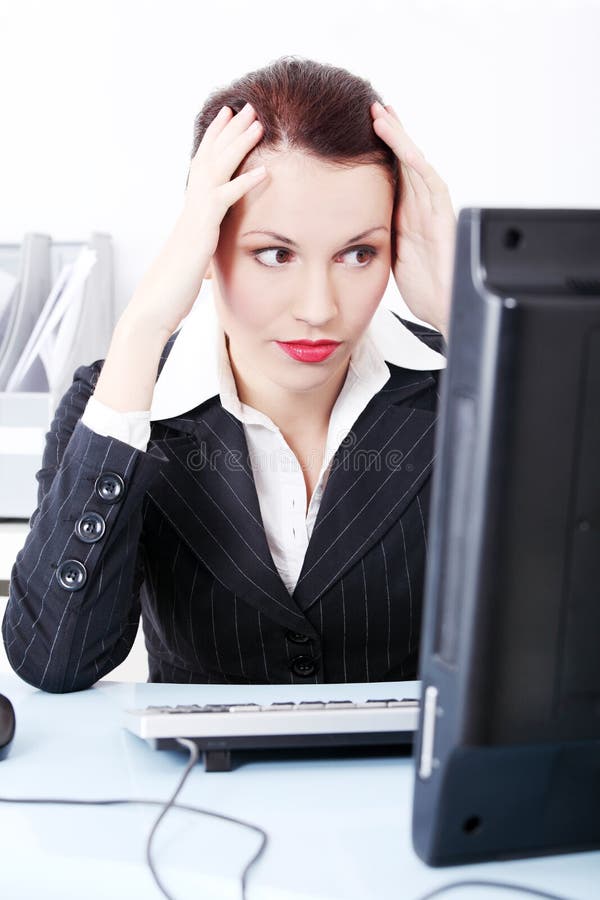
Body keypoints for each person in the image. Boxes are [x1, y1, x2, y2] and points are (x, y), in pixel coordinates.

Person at [2, 56, 456, 693]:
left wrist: (469, 318)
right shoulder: (121, 398)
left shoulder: (460, 384)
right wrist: (141, 330)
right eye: (274, 253)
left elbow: (560, 625)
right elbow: (54, 661)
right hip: (196, 788)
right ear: (205, 246)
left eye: (359, 253)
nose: (319, 308)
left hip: (413, 786)